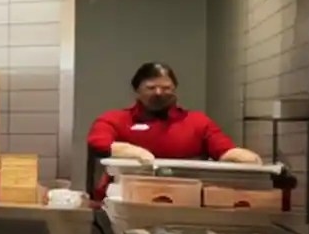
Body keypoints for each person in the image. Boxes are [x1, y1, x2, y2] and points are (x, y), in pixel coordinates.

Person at [87, 61, 261, 197]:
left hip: (183, 200)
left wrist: (247, 161)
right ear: (137, 90)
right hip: (125, 199)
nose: (158, 93)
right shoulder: (115, 119)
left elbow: (224, 149)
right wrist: (132, 151)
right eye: (151, 88)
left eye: (166, 88)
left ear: (175, 90)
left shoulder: (197, 122)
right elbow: (97, 141)